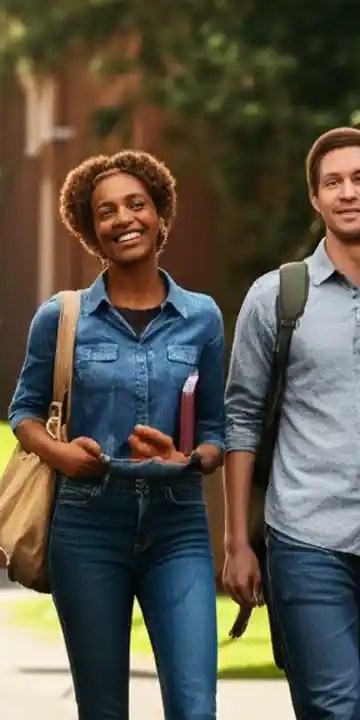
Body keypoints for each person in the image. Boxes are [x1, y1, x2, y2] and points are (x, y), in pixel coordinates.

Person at [8, 151, 226, 719]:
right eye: (106, 212)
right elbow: (24, 413)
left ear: (160, 215)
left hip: (178, 523)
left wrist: (190, 457)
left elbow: (215, 429)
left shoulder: (203, 317)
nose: (124, 219)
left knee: (196, 707)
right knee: (102, 708)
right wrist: (61, 455)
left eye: (136, 205)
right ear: (90, 229)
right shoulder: (61, 317)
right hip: (87, 524)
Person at [224, 126, 360, 718]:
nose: (348, 192)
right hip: (308, 540)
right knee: (335, 708)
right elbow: (241, 418)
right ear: (315, 198)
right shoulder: (277, 297)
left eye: (359, 179)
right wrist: (236, 542)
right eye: (333, 182)